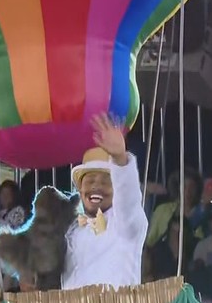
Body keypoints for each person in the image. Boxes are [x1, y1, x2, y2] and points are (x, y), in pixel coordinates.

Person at [60, 114, 149, 290]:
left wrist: (120, 160)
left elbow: (128, 199)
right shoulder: (70, 231)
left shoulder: (126, 225)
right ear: (80, 189)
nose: (96, 187)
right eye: (90, 180)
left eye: (106, 181)